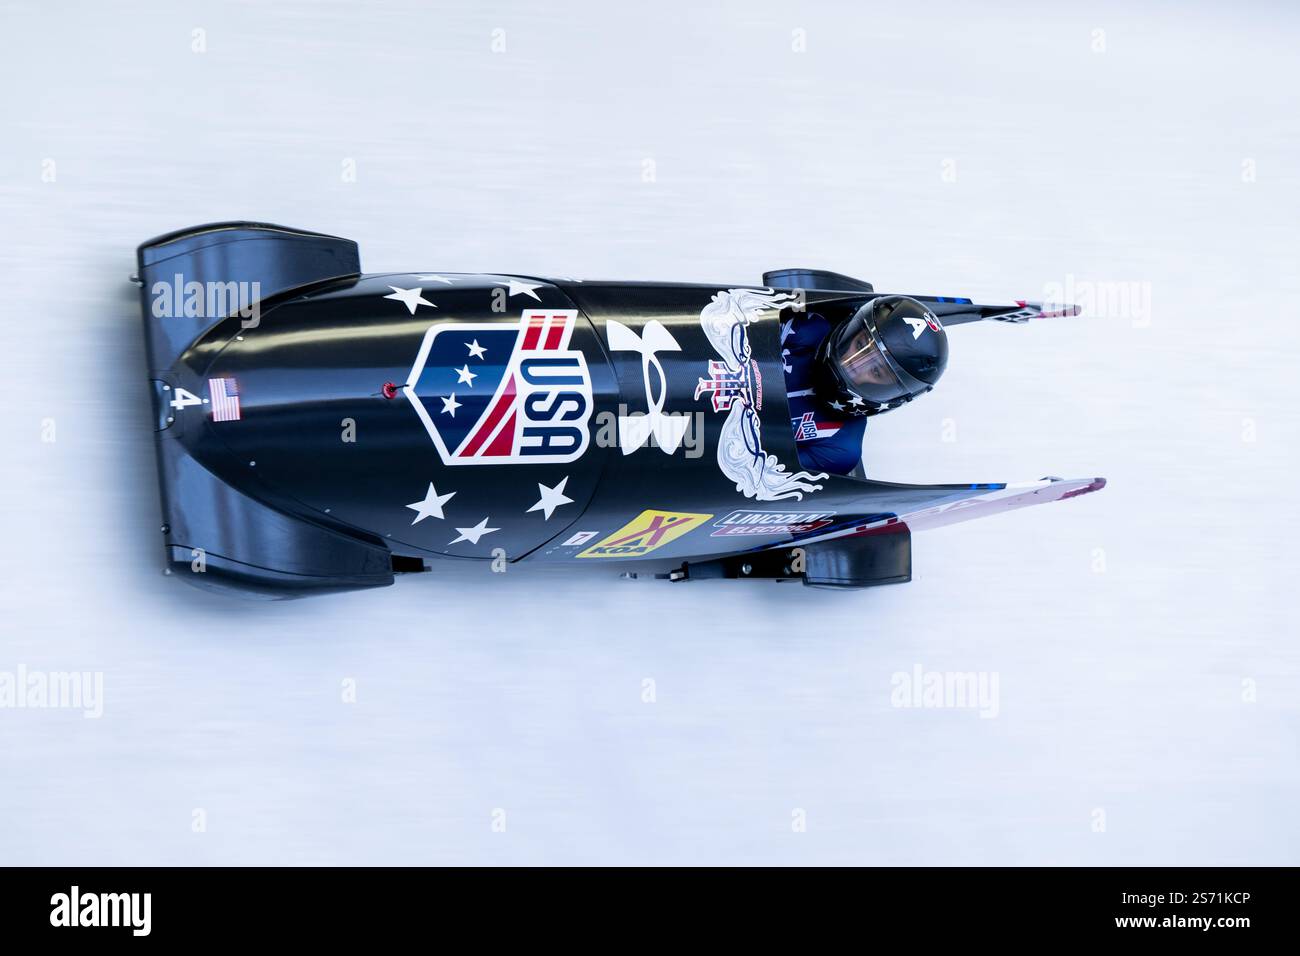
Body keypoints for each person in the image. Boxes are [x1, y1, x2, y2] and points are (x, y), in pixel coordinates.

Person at [783, 295, 949, 476]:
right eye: (861, 344)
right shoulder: (807, 327)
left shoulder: (840, 448)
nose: (854, 364)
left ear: (893, 396)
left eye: (876, 371)